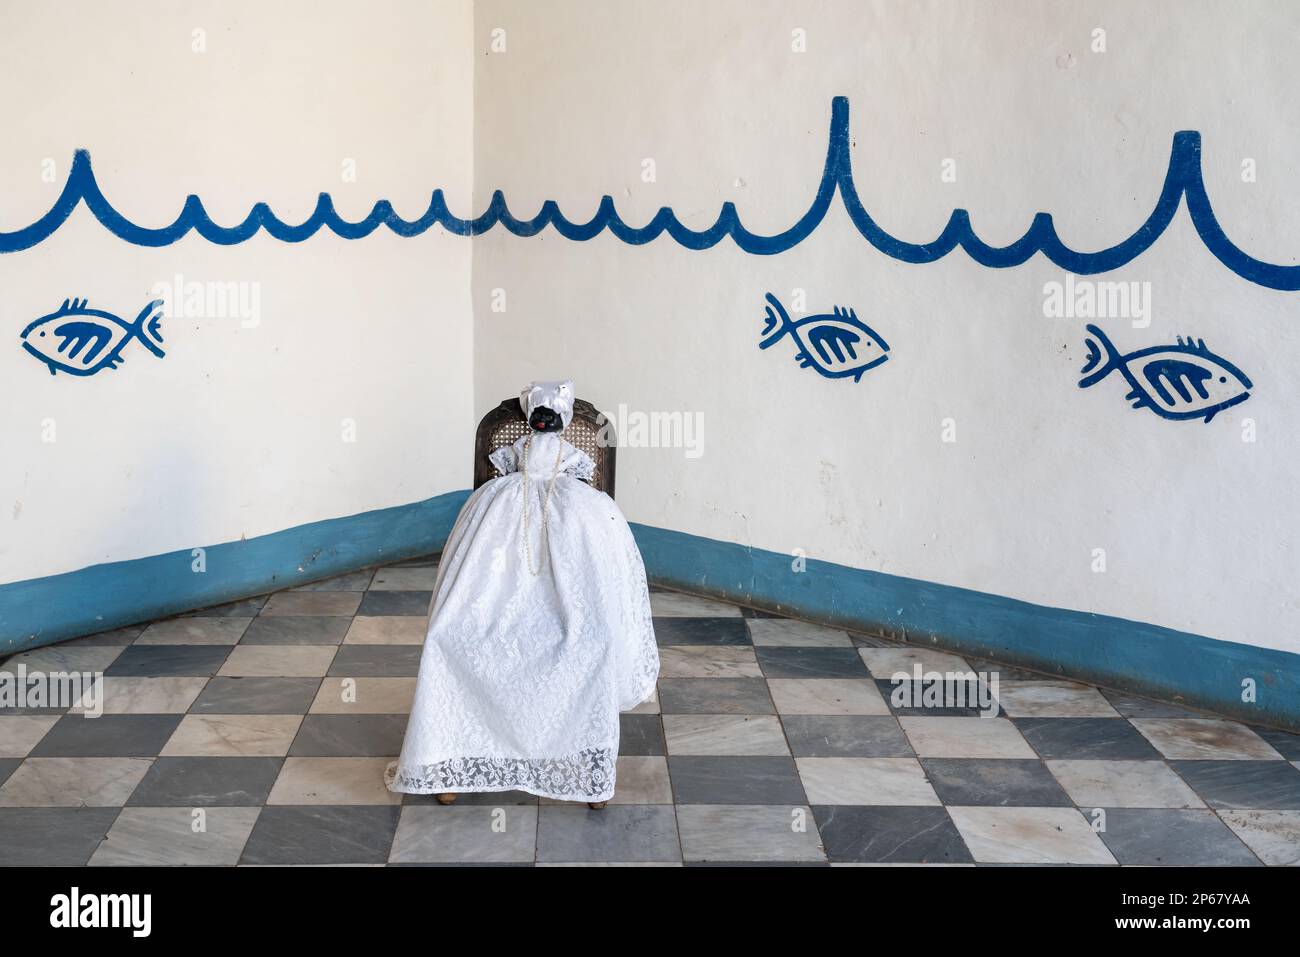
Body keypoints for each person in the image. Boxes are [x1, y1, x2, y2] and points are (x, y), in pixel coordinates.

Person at [386, 380, 659, 807]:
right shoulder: (510, 469)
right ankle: (452, 750)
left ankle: (573, 754)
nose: (543, 422)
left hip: (565, 530)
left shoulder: (576, 479)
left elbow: (587, 490)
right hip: (506, 528)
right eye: (540, 416)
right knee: (451, 630)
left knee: (589, 632)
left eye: (549, 417)